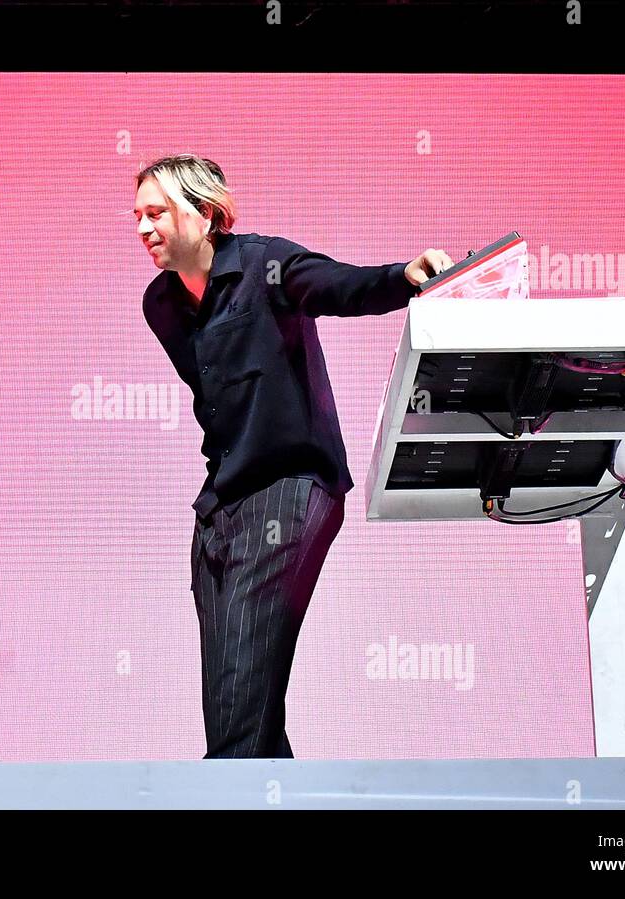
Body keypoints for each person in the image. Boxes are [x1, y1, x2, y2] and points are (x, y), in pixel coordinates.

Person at [135, 154, 452, 758]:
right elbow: (218, 406)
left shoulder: (265, 265)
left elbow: (339, 285)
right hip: (220, 506)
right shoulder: (161, 305)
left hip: (290, 487)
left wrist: (404, 276)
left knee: (236, 710)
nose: (143, 228)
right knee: (245, 704)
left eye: (158, 213)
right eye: (137, 216)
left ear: (205, 215)